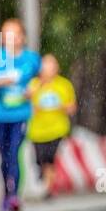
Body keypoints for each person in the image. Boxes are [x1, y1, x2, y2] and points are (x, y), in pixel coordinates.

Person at [0, 18, 41, 211]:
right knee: (3, 157)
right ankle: (6, 191)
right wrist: (2, 81)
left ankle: (14, 196)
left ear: (22, 37)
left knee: (14, 152)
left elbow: (42, 79)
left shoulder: (31, 59)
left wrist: (33, 88)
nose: (10, 38)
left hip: (21, 114)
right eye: (6, 34)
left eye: (14, 34)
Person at [26, 54, 77, 199]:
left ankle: (48, 189)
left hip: (57, 129)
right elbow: (25, 101)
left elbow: (72, 107)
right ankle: (43, 175)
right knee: (40, 159)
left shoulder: (64, 85)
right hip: (37, 130)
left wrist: (60, 106)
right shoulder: (34, 84)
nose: (49, 70)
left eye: (52, 66)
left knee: (50, 157)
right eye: (46, 66)